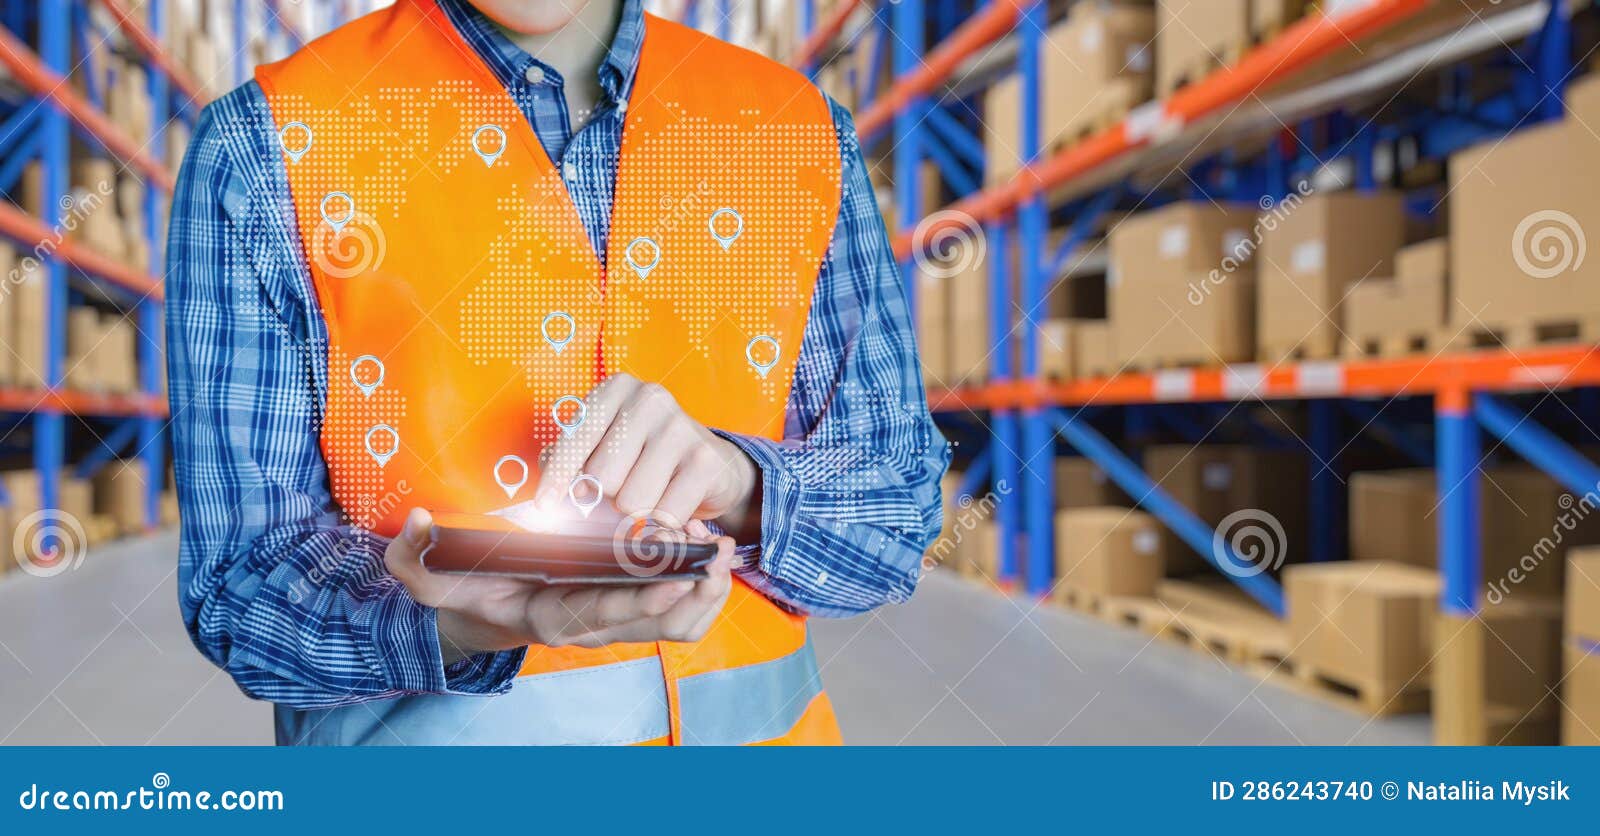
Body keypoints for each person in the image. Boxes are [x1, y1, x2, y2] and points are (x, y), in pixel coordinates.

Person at [167, 0, 948, 745]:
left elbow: (898, 515)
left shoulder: (796, 134)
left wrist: (740, 486)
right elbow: (239, 593)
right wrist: (456, 624)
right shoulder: (267, 144)